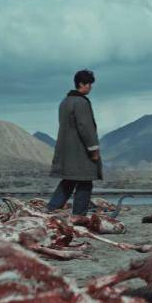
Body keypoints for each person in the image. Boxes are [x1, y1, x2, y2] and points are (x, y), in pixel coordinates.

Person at [47, 69, 102, 216]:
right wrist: (94, 150)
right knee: (85, 182)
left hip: (67, 151)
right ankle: (79, 216)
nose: (90, 87)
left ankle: (50, 210)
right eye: (88, 84)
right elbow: (86, 127)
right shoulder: (81, 102)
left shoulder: (65, 102)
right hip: (80, 152)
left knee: (68, 182)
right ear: (81, 84)